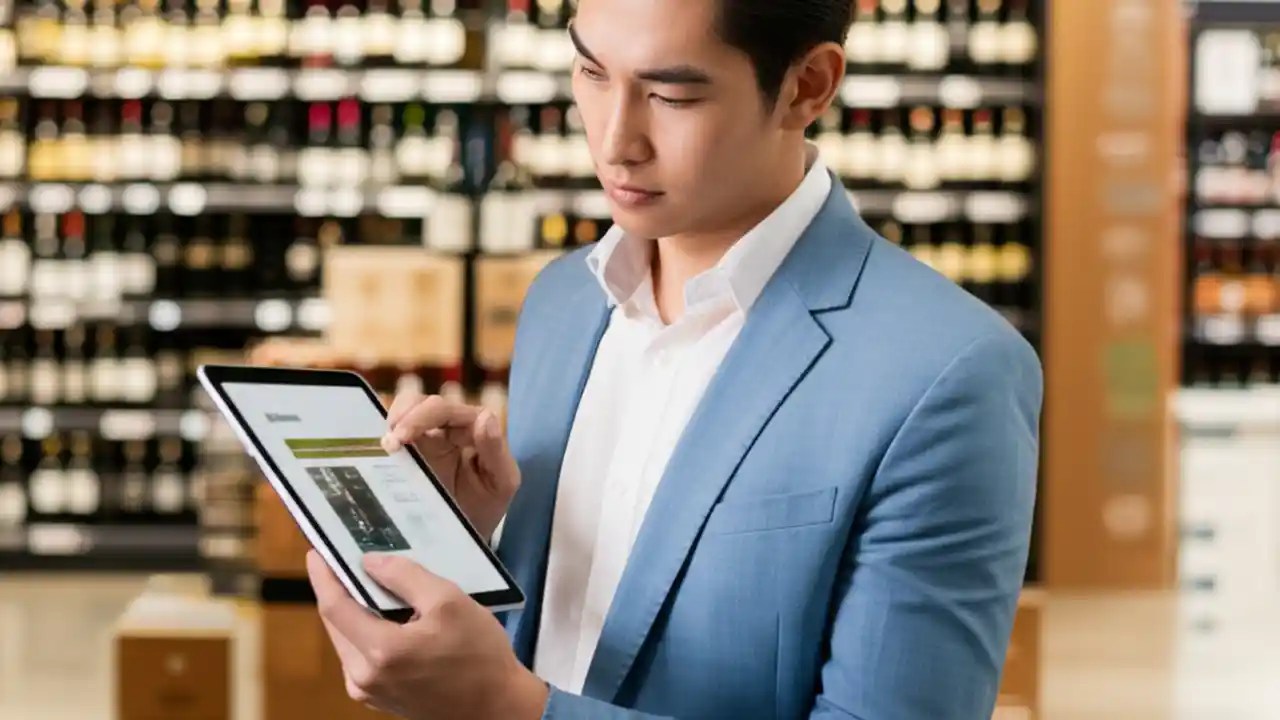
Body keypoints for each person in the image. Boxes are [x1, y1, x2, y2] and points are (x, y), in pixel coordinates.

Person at [303, 0, 1044, 717]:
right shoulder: (562, 304)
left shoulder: (950, 372)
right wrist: (461, 550)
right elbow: (548, 654)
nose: (615, 140)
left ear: (807, 86)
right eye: (591, 74)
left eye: (670, 95)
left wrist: (505, 708)